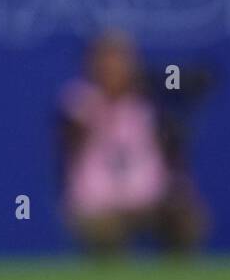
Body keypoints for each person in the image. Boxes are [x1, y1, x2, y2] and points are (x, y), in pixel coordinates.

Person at [58, 33, 207, 254]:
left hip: (148, 200)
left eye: (120, 60)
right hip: (99, 203)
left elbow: (195, 85)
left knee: (187, 217)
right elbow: (69, 141)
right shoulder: (78, 102)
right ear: (91, 63)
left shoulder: (150, 102)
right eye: (106, 60)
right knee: (104, 231)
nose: (113, 68)